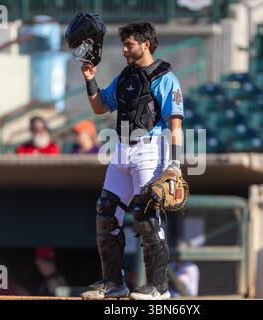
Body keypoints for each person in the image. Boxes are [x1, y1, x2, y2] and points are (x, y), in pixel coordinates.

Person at [77, 21, 185, 300]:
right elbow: (101, 106)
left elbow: (175, 125)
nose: (124, 49)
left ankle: (159, 289)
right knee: (105, 211)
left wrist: (173, 164)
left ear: (146, 44)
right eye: (124, 44)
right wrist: (90, 79)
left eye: (130, 44)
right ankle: (114, 283)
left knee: (145, 214)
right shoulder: (126, 76)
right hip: (121, 148)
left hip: (150, 149)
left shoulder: (165, 76)